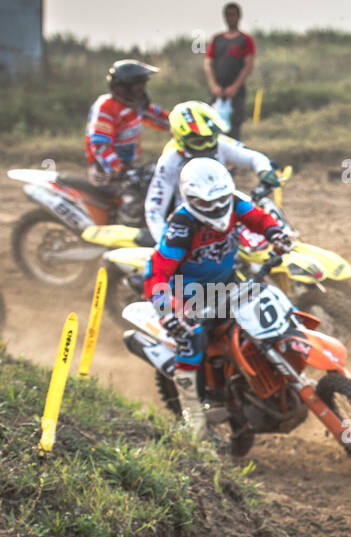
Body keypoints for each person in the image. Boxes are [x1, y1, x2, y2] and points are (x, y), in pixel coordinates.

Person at [144, 158, 294, 440]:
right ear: (190, 199)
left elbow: (259, 219)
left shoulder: (235, 201)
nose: (216, 208)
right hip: (189, 293)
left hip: (226, 281)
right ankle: (195, 423)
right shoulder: (182, 226)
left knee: (268, 306)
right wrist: (167, 313)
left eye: (221, 199)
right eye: (206, 204)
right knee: (193, 339)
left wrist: (276, 233)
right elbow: (158, 272)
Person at [145, 100, 279, 243]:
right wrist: (164, 243)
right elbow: (154, 211)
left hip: (225, 208)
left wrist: (264, 171)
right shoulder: (170, 161)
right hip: (192, 223)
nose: (206, 146)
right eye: (198, 142)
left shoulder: (220, 144)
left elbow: (254, 157)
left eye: (210, 139)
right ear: (180, 139)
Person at [85, 60, 169, 191]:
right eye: (138, 87)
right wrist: (120, 169)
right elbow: (100, 146)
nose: (142, 91)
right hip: (105, 170)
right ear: (123, 88)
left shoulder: (136, 105)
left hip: (130, 166)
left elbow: (165, 119)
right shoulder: (106, 108)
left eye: (143, 86)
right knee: (133, 204)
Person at [205, 3, 257, 139]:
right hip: (218, 91)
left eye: (233, 15)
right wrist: (214, 86)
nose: (231, 18)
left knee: (234, 131)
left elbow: (248, 65)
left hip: (236, 93)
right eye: (228, 15)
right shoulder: (217, 40)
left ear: (239, 17)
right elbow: (208, 63)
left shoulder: (245, 40)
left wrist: (235, 87)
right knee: (214, 129)